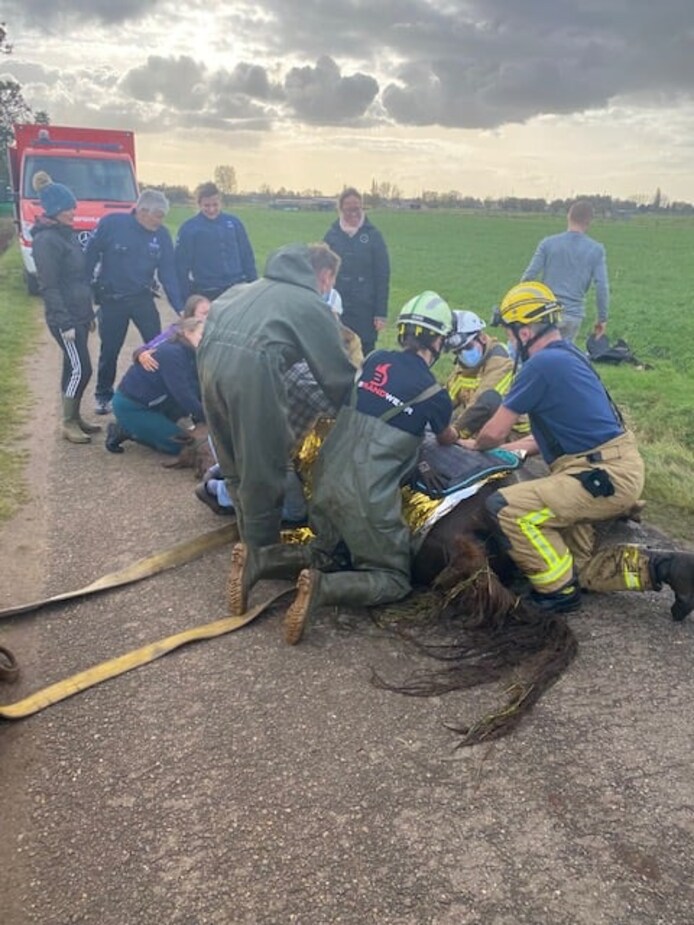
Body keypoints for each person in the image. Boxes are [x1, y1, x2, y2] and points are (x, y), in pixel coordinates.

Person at [228, 291, 459, 644]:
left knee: (326, 551)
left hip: (325, 478)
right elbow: (446, 437)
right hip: (367, 497)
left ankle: (259, 561)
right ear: (439, 340)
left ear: (403, 333)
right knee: (393, 579)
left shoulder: (376, 359)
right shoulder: (434, 394)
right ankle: (323, 589)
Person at [459, 281, 694, 620]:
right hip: (609, 468)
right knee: (575, 565)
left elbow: (492, 432)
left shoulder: (539, 367)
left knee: (509, 509)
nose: (509, 340)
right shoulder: (568, 355)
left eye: (510, 332)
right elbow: (544, 440)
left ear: (524, 332)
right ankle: (670, 568)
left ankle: (557, 595)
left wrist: (474, 445)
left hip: (596, 474)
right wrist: (509, 450)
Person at [197, 242, 356, 548]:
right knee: (264, 470)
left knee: (234, 462)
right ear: (324, 275)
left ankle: (245, 537)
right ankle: (260, 556)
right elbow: (339, 379)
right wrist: (364, 419)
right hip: (252, 373)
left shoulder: (245, 289)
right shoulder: (310, 304)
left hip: (208, 366)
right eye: (332, 281)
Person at [85, 189, 184, 415]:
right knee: (110, 350)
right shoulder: (112, 224)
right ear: (142, 211)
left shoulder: (162, 235)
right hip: (113, 300)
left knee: (157, 348)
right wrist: (85, 297)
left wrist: (180, 306)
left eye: (163, 216)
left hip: (143, 299)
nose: (161, 221)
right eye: (158, 215)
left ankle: (158, 394)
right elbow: (89, 257)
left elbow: (168, 273)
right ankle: (103, 395)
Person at [30, 171, 101, 444]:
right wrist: (65, 322)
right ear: (55, 210)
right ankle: (68, 421)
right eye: (68, 208)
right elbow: (49, 286)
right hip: (65, 318)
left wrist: (88, 314)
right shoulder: (46, 241)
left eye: (73, 206)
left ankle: (75, 417)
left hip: (79, 313)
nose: (73, 211)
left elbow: (78, 279)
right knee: (81, 368)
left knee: (72, 367)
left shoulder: (66, 235)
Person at [105, 317, 206, 456]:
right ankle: (124, 430)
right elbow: (183, 394)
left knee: (186, 418)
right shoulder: (172, 353)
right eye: (202, 335)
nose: (205, 339)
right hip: (132, 406)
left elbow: (195, 385)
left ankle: (147, 426)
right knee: (182, 445)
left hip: (156, 401)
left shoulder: (190, 350)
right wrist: (209, 418)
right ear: (188, 333)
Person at [521, 200, 609, 343]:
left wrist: (524, 309)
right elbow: (602, 286)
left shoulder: (547, 243)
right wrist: (602, 318)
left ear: (568, 216)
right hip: (573, 317)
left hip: (545, 312)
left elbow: (528, 277)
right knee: (563, 358)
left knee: (537, 355)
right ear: (588, 222)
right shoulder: (596, 250)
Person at [323, 187, 390, 354]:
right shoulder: (332, 236)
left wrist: (380, 313)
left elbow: (382, 275)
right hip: (338, 308)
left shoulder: (373, 236)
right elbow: (321, 273)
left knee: (364, 354)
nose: (353, 214)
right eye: (348, 210)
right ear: (340, 209)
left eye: (357, 209)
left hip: (365, 310)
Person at [446, 309, 529, 439]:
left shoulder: (502, 363)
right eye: (458, 352)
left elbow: (483, 404)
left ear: (483, 338)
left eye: (467, 348)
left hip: (514, 435)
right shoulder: (465, 365)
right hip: (483, 425)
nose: (463, 354)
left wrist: (455, 433)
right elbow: (448, 397)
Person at [174, 181, 257, 302]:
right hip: (207, 290)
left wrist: (253, 284)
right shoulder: (189, 229)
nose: (211, 209)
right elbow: (181, 266)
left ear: (220, 203)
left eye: (215, 205)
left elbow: (246, 255)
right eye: (206, 206)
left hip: (237, 288)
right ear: (199, 204)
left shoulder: (234, 223)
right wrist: (185, 297)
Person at [134, 294, 211, 373]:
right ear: (191, 315)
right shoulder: (177, 330)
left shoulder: (218, 328)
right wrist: (141, 354)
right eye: (204, 313)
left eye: (210, 312)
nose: (209, 316)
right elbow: (146, 348)